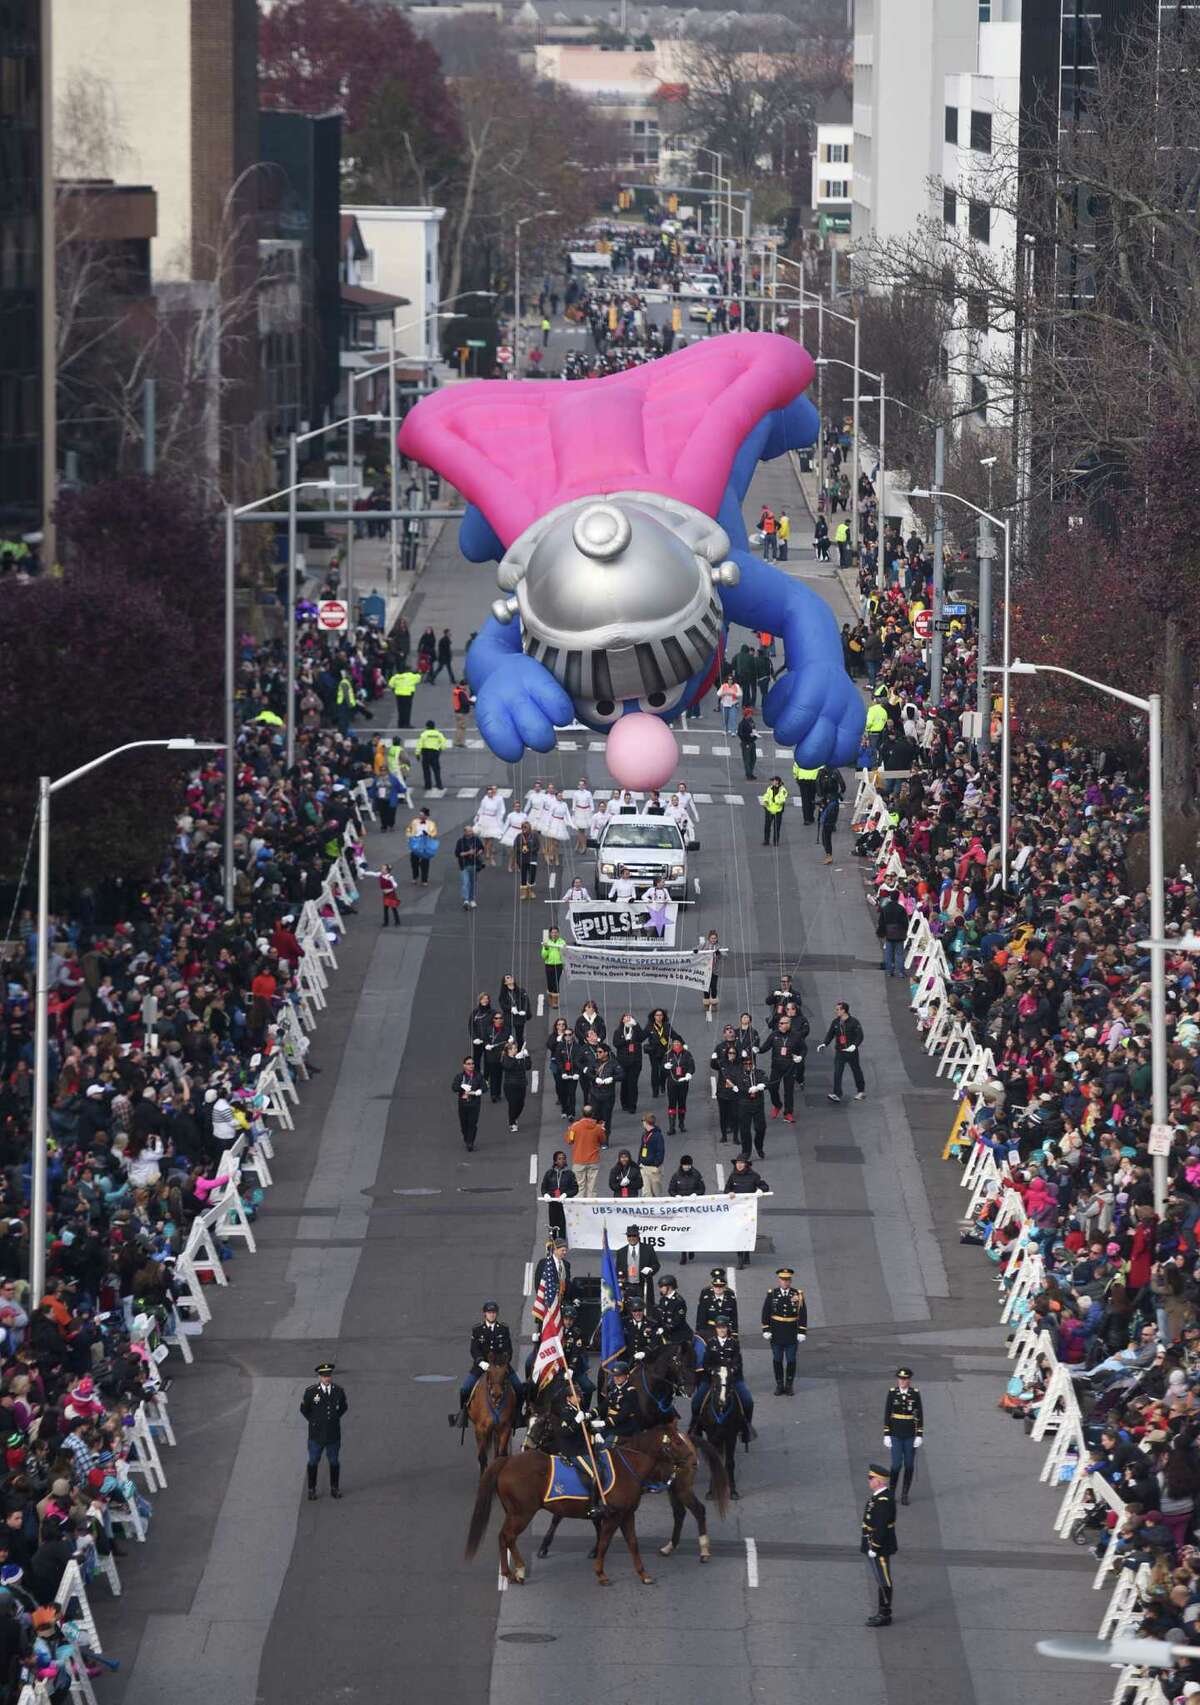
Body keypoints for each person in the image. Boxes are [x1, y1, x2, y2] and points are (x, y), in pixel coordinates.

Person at [451, 1302, 520, 1427]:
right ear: (485, 1314)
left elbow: (508, 1350)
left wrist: (503, 1363)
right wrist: (481, 1362)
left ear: (497, 1314)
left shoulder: (503, 1329)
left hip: (500, 1367)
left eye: (494, 1313)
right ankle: (463, 1415)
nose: (492, 1315)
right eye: (489, 1313)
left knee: (519, 1387)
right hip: (482, 1366)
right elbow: (474, 1349)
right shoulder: (477, 1330)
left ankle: (518, 1416)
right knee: (465, 1389)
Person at [691, 1314, 754, 1445]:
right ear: (716, 1329)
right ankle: (695, 1426)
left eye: (724, 1327)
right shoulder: (711, 1344)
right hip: (712, 1379)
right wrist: (713, 1371)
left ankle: (746, 1428)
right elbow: (706, 1363)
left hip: (732, 1379)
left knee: (748, 1401)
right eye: (719, 1327)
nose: (721, 1330)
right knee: (696, 1402)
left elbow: (738, 1362)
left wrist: (731, 1371)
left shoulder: (734, 1343)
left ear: (727, 1328)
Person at [300, 1361, 349, 1500]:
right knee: (313, 1461)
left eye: (329, 1375)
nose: (327, 1378)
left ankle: (334, 1488)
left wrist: (334, 1419)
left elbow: (344, 1407)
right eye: (324, 1376)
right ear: (320, 1377)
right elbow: (304, 1409)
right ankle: (311, 1489)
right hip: (316, 1435)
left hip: (333, 1434)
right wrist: (314, 1421)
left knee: (334, 1461)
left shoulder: (338, 1391)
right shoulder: (311, 1392)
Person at [861, 1463, 898, 1627]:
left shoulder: (883, 1500)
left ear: (880, 1481)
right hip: (873, 1541)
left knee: (883, 1579)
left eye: (871, 1478)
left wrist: (874, 1547)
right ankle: (882, 1611)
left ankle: (885, 1613)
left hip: (879, 1545)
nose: (869, 1481)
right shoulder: (879, 1496)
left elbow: (881, 1526)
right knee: (880, 1578)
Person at [761, 1266, 806, 1393]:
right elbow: (766, 1312)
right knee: (777, 1359)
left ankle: (789, 1384)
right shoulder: (772, 1293)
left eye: (787, 1280)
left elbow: (802, 1314)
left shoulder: (797, 1294)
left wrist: (802, 1331)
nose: (785, 1282)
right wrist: (766, 1329)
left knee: (791, 1359)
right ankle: (779, 1384)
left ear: (790, 1281)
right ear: (779, 1280)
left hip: (791, 1332)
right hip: (776, 1332)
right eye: (783, 1279)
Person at [883, 1366, 924, 1506]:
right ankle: (892, 1492)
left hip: (910, 1434)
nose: (902, 1381)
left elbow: (919, 1415)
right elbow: (887, 1413)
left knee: (909, 1465)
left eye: (904, 1379)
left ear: (909, 1380)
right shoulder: (892, 1393)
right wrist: (886, 1434)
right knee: (895, 1465)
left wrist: (919, 1434)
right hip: (895, 1433)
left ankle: (905, 1494)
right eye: (900, 1379)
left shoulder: (915, 1394)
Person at [818, 1001, 866, 1103]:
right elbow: (830, 1034)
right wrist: (824, 1043)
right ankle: (837, 1094)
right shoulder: (835, 1022)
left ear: (844, 1010)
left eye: (838, 1009)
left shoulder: (854, 1022)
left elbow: (860, 1036)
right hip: (840, 1052)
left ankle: (861, 1091)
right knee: (837, 1072)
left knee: (856, 1070)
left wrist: (854, 1046)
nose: (836, 1011)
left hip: (851, 1052)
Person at [668, 1154, 705, 1263]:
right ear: (681, 1165)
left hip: (693, 1208)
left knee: (692, 1230)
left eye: (689, 1165)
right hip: (681, 1209)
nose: (687, 1167)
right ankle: (683, 1254)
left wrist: (695, 1194)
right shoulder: (676, 1176)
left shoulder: (696, 1175)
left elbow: (702, 1189)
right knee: (682, 1231)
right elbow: (671, 1189)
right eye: (685, 1165)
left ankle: (691, 1248)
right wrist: (676, 1196)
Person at [566, 1105, 606, 1198]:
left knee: (579, 1187)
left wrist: (569, 1131)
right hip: (593, 1160)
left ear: (582, 1114)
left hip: (579, 1160)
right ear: (592, 1114)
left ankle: (579, 1210)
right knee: (592, 1188)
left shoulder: (575, 1127)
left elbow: (569, 1140)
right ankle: (591, 1209)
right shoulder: (597, 1128)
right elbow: (603, 1140)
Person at [734, 1051, 769, 1158]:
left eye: (750, 1064)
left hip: (758, 1105)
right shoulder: (739, 1075)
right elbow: (739, 1088)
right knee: (745, 1130)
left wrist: (761, 1086)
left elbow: (766, 1082)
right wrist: (749, 1089)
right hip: (745, 1106)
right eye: (746, 1064)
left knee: (761, 1128)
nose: (748, 1066)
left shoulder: (759, 1073)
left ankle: (759, 1146)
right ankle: (746, 1151)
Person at [616, 1223, 659, 1309]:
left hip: (643, 1285)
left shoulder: (648, 1249)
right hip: (627, 1286)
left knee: (645, 1308)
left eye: (634, 1235)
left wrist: (650, 1269)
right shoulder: (621, 1252)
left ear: (638, 1236)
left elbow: (656, 1265)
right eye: (629, 1236)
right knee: (628, 1309)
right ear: (627, 1237)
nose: (632, 1238)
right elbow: (617, 1269)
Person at [540, 1149, 578, 1238]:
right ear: (555, 1161)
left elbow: (575, 1189)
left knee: (562, 1228)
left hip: (564, 1205)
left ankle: (561, 1248)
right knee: (552, 1227)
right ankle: (552, 1248)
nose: (563, 1160)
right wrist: (545, 1194)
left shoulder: (570, 1174)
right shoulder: (549, 1174)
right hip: (553, 1204)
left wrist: (566, 1194)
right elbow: (543, 1187)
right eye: (560, 1159)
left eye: (564, 1158)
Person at [614, 1012, 646, 1112]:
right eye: (626, 1018)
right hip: (623, 1062)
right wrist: (625, 1040)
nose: (628, 1019)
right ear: (622, 1020)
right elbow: (616, 1043)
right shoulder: (618, 1031)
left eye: (630, 1017)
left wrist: (636, 1025)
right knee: (624, 1083)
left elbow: (642, 1037)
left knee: (633, 1083)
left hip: (635, 1061)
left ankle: (632, 1105)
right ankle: (624, 1103)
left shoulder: (636, 1030)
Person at [451, 1056, 484, 1150]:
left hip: (474, 1103)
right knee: (464, 1124)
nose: (471, 1066)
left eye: (472, 1064)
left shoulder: (478, 1076)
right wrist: (462, 1086)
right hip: (463, 1104)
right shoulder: (460, 1077)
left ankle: (470, 1142)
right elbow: (454, 1087)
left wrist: (479, 1091)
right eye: (469, 1064)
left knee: (472, 1123)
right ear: (464, 1065)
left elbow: (485, 1087)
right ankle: (467, 1138)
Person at [588, 1045, 622, 1136]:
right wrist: (595, 1078)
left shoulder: (613, 1063)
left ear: (606, 1053)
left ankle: (605, 1139)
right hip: (595, 1095)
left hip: (608, 1095)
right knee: (594, 1117)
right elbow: (588, 1073)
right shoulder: (594, 1062)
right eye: (597, 1052)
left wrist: (612, 1078)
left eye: (600, 1052)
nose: (598, 1054)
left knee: (606, 1118)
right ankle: (595, 1137)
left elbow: (622, 1075)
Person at [665, 1036, 695, 1135]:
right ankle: (671, 1127)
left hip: (683, 1082)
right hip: (672, 1083)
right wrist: (664, 1066)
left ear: (681, 1044)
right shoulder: (668, 1054)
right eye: (675, 1043)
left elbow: (692, 1066)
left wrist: (689, 1074)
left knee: (682, 1103)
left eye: (678, 1043)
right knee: (672, 1104)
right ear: (672, 1044)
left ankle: (681, 1124)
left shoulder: (687, 1054)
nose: (676, 1045)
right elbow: (662, 1067)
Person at [877, 889, 909, 977]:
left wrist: (882, 932)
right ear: (898, 898)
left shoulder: (886, 908)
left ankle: (889, 971)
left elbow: (881, 922)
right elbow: (905, 923)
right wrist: (904, 931)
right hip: (899, 934)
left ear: (890, 897)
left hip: (889, 933)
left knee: (889, 953)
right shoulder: (901, 909)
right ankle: (901, 972)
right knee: (899, 953)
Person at [697, 1267, 738, 1337]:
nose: (718, 1288)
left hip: (725, 1329)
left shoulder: (730, 1295)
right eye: (716, 1286)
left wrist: (735, 1332)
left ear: (724, 1286)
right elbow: (701, 1315)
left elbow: (734, 1315)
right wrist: (699, 1330)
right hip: (710, 1329)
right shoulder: (706, 1296)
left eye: (721, 1286)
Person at [500, 1038, 531, 1131]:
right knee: (513, 1104)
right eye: (514, 1048)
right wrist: (516, 1058)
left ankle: (515, 1117)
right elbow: (508, 1067)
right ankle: (512, 1122)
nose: (516, 1050)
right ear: (509, 1050)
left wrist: (527, 1056)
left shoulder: (520, 1057)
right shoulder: (505, 1059)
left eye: (516, 1048)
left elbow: (528, 1067)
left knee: (521, 1104)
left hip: (521, 1084)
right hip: (510, 1085)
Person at [454, 824, 485, 910]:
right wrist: (468, 853)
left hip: (474, 864)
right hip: (464, 865)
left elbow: (482, 848)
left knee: (472, 883)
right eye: (470, 831)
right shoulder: (460, 841)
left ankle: (472, 899)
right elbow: (457, 854)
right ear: (465, 832)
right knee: (465, 882)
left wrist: (479, 852)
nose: (471, 832)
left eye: (472, 831)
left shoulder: (476, 839)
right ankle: (466, 900)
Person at [473, 784, 505, 863]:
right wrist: (478, 816)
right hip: (484, 819)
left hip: (493, 820)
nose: (492, 792)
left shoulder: (498, 800)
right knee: (485, 837)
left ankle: (488, 853)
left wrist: (499, 819)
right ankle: (486, 850)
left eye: (494, 790)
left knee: (491, 837)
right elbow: (481, 809)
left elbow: (500, 810)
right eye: (490, 791)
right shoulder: (484, 799)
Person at [406, 808, 438, 884]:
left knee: (425, 862)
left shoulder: (431, 824)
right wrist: (410, 837)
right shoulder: (414, 822)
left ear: (426, 816)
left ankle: (424, 879)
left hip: (425, 844)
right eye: (420, 814)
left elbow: (434, 833)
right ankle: (415, 876)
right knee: (414, 862)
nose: (420, 816)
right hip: (416, 843)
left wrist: (428, 834)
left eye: (422, 815)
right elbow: (408, 830)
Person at [498, 972, 530, 1048]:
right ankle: (508, 1051)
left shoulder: (521, 991)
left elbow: (526, 1002)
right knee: (509, 1036)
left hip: (519, 1017)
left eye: (511, 977)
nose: (510, 978)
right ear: (505, 983)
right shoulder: (503, 994)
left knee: (519, 1036)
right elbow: (502, 1005)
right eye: (508, 978)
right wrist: (510, 1008)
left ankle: (520, 1051)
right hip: (509, 1018)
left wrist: (524, 1011)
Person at [638, 1112, 665, 1197]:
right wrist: (639, 1162)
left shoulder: (658, 1136)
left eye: (643, 1121)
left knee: (656, 1193)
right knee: (646, 1193)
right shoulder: (644, 1134)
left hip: (653, 1168)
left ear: (646, 1122)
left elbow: (661, 1151)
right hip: (644, 1166)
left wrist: (656, 1164)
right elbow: (642, 1148)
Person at [416, 720, 447, 790]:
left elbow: (419, 744)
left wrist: (417, 754)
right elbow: (444, 743)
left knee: (426, 770)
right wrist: (440, 750)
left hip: (426, 753)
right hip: (435, 753)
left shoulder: (424, 734)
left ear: (427, 727)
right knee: (436, 770)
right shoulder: (438, 734)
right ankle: (439, 785)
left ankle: (428, 785)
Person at [541, 925, 565, 1009]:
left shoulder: (562, 942)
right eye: (552, 932)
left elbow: (565, 954)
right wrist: (546, 948)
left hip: (558, 965)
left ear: (558, 933)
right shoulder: (547, 942)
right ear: (550, 934)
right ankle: (550, 999)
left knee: (556, 982)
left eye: (556, 932)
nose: (554, 934)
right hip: (549, 965)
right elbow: (543, 956)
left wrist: (561, 950)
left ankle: (555, 1002)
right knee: (550, 983)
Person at [516, 822, 541, 901]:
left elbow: (537, 847)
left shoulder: (534, 836)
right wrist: (521, 850)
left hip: (532, 858)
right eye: (523, 827)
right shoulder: (519, 836)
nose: (524, 829)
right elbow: (516, 847)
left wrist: (529, 850)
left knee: (532, 875)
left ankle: (530, 891)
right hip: (523, 858)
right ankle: (524, 893)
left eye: (526, 827)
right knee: (523, 876)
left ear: (529, 828)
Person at [760, 777, 788, 846]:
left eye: (773, 781)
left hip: (778, 811)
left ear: (777, 782)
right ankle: (766, 840)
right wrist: (765, 801)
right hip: (769, 810)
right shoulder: (770, 788)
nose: (772, 782)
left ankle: (776, 841)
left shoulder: (783, 790)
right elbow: (766, 795)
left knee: (777, 827)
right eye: (772, 781)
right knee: (767, 826)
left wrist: (775, 801)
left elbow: (782, 799)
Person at [818, 786, 839, 864]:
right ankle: (828, 855)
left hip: (828, 823)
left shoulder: (832, 804)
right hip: (829, 822)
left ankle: (829, 856)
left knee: (826, 839)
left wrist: (822, 819)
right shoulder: (833, 802)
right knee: (825, 839)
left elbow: (826, 812)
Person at [737, 709, 759, 780]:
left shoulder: (751, 721)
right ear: (747, 714)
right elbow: (740, 734)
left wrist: (755, 735)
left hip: (752, 742)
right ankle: (748, 774)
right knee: (747, 759)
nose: (751, 715)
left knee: (753, 758)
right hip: (746, 743)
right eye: (750, 714)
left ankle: (751, 772)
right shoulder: (742, 723)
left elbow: (754, 729)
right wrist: (748, 736)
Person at [377, 863, 400, 928]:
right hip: (385, 894)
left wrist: (394, 885)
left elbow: (395, 884)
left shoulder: (390, 877)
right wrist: (364, 872)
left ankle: (397, 921)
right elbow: (373, 873)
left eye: (383, 869)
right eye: (381, 868)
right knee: (385, 909)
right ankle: (386, 922)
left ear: (387, 871)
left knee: (393, 908)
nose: (381, 869)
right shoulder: (380, 874)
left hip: (391, 894)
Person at [451, 681, 472, 745]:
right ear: (464, 685)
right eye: (466, 686)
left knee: (458, 728)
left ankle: (456, 741)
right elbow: (465, 702)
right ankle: (460, 743)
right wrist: (472, 702)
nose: (467, 688)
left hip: (458, 712)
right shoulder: (461, 693)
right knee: (462, 728)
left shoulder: (456, 691)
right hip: (461, 713)